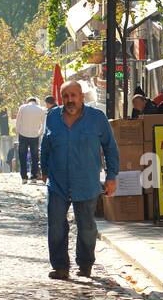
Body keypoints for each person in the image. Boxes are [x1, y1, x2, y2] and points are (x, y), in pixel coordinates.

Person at [38, 81, 119, 280]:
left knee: (87, 227)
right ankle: (60, 267)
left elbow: (110, 148)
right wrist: (44, 170)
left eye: (73, 95)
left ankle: (85, 264)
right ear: (61, 98)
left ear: (81, 97)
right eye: (66, 96)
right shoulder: (52, 117)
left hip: (86, 182)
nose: (70, 100)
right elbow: (45, 146)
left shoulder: (97, 118)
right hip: (58, 182)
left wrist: (111, 176)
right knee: (56, 226)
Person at [14, 94, 48, 185]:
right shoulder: (40, 109)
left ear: (28, 101)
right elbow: (43, 124)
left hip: (23, 135)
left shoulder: (23, 107)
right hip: (35, 135)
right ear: (35, 102)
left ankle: (24, 177)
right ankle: (33, 177)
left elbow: (18, 121)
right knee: (35, 157)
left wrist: (18, 131)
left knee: (22, 156)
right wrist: (39, 133)